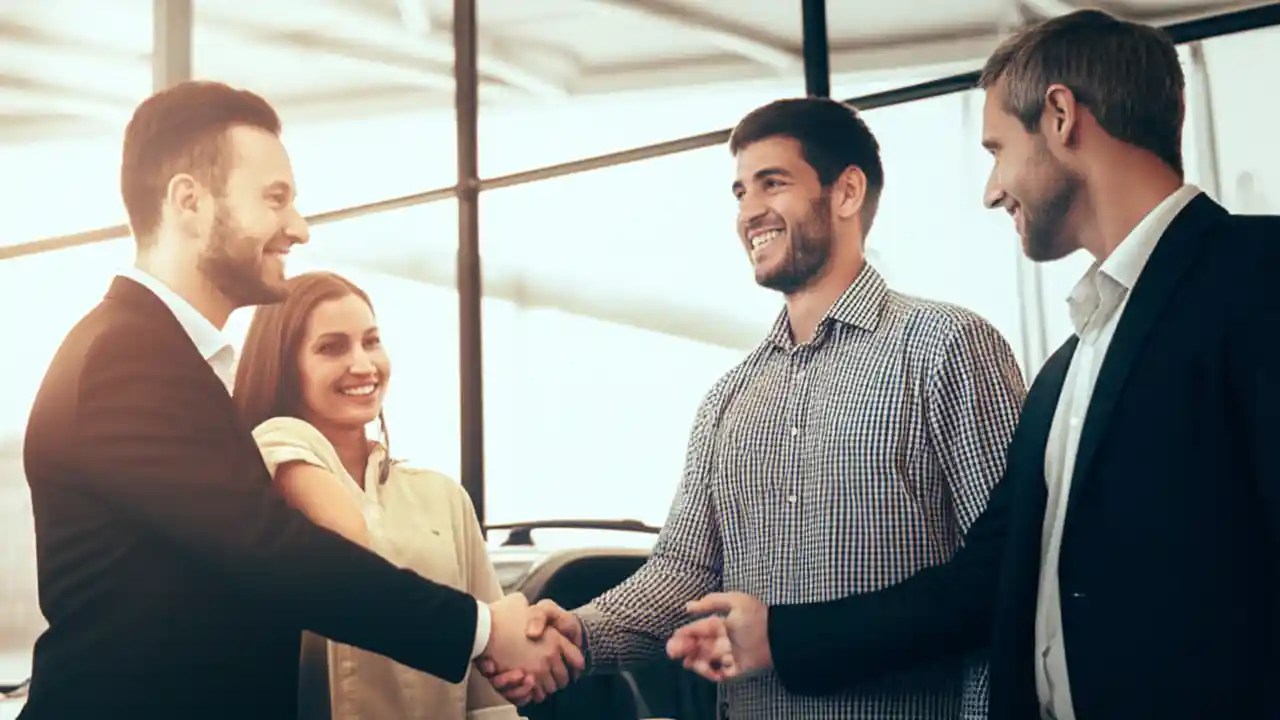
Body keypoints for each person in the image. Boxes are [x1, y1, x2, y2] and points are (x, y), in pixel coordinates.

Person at [666, 9, 1280, 720]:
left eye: (997, 149)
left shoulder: (1260, 277)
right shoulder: (1067, 371)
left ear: (1060, 117)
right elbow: (985, 582)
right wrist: (780, 637)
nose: (992, 190)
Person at [20, 80, 577, 719]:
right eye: (275, 199)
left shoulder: (161, 356)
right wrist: (482, 630)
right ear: (188, 202)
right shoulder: (127, 356)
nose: (299, 228)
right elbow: (271, 552)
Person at [483, 97, 1028, 718]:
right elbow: (682, 571)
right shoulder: (728, 398)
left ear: (847, 192)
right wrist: (578, 632)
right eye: (741, 192)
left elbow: (1005, 578)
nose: (748, 212)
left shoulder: (948, 347)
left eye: (773, 183)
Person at [232, 270, 522, 720]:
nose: (363, 364)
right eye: (332, 347)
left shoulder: (442, 496)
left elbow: (491, 686)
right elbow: (350, 548)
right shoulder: (266, 465)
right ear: (283, 365)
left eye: (371, 341)